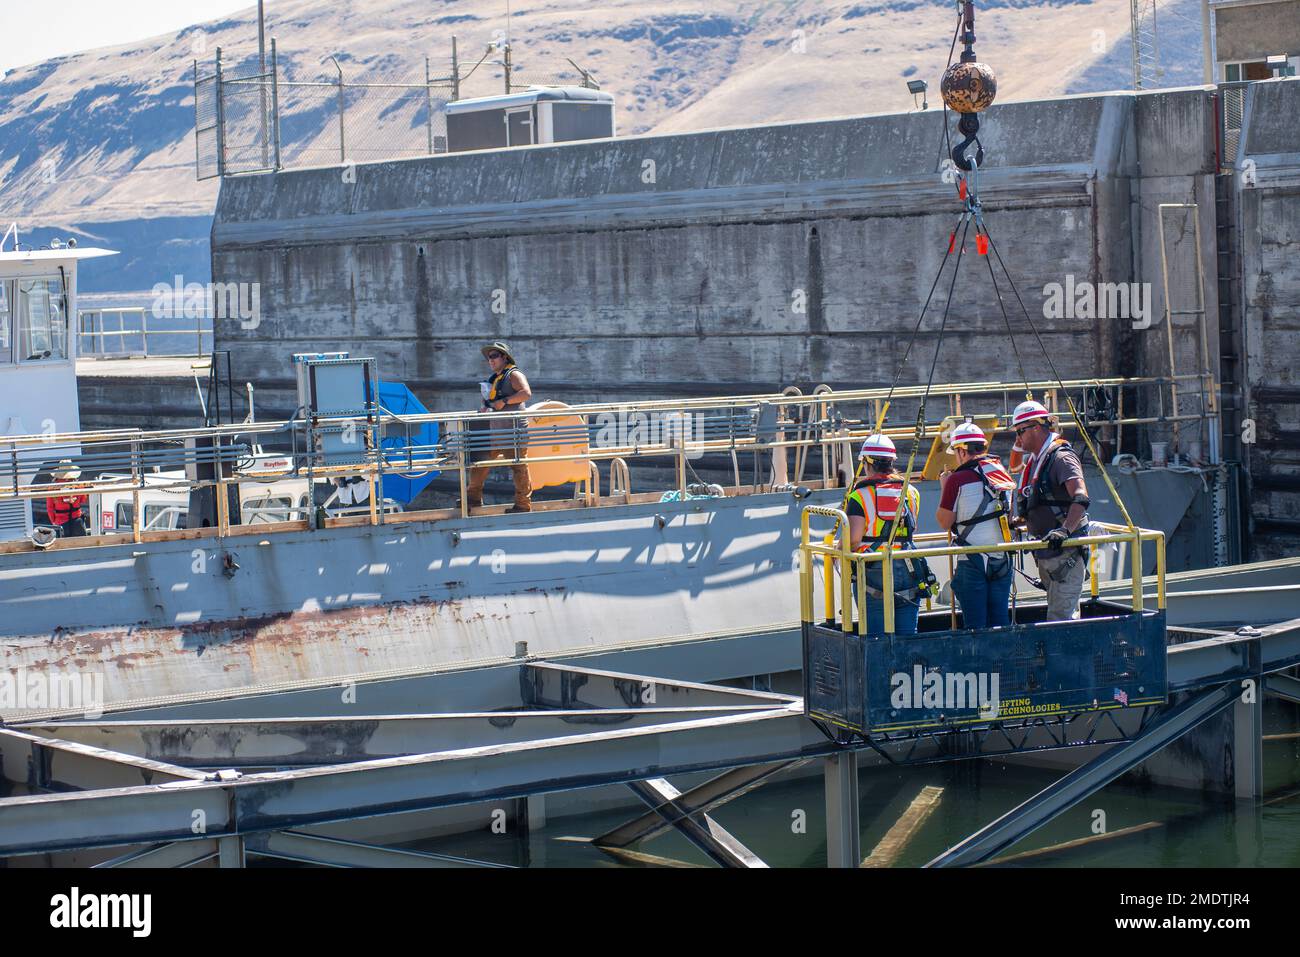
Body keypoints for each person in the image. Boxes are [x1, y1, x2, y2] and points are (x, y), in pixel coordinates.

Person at [1010, 400, 1091, 621]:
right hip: (1049, 555)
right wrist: (1020, 522)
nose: (1017, 438)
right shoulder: (1037, 460)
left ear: (1037, 427)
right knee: (1056, 613)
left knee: (1060, 619)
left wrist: (1064, 531)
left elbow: (1081, 497)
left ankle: (1068, 656)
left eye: (1020, 431)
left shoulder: (1061, 458)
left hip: (1066, 554)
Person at [936, 421, 1016, 629]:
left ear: (962, 451)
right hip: (1003, 558)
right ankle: (1002, 661)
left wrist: (945, 489)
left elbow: (945, 522)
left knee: (975, 626)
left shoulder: (957, 480)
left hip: (972, 560)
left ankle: (980, 662)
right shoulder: (1002, 473)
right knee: (1000, 622)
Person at [842, 434, 924, 636]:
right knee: (907, 639)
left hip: (872, 571)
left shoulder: (859, 496)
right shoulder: (911, 492)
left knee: (876, 639)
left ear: (866, 463)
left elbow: (853, 539)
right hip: (909, 567)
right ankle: (906, 668)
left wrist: (838, 551)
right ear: (892, 462)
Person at [467, 341, 534, 513]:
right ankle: (472, 499)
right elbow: (494, 403)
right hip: (495, 430)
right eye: (489, 357)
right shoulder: (493, 379)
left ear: (504, 357)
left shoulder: (514, 374)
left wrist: (503, 401)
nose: (491, 360)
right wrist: (486, 406)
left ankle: (522, 505)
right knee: (480, 463)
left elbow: (526, 393)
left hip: (513, 431)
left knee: (518, 467)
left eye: (494, 356)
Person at [46, 460, 89, 537]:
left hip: (61, 522)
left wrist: (53, 521)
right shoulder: (78, 485)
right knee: (81, 544)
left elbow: (50, 508)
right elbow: (83, 500)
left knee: (63, 545)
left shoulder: (52, 488)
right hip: (77, 520)